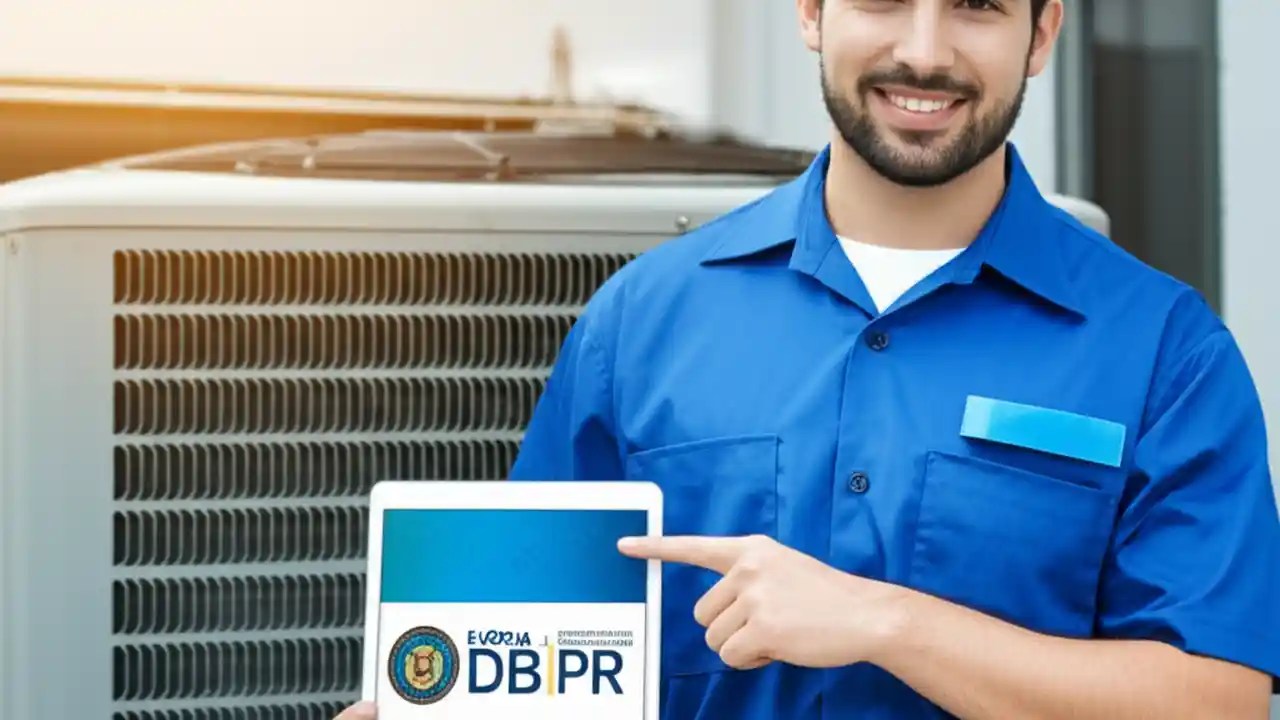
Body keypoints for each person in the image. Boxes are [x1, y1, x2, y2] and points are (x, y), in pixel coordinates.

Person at [337, 0, 1280, 718]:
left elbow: (1219, 699)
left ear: (1041, 36)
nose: (923, 49)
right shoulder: (641, 322)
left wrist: (888, 624)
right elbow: (528, 661)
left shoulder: (1166, 352)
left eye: (977, 5)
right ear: (809, 13)